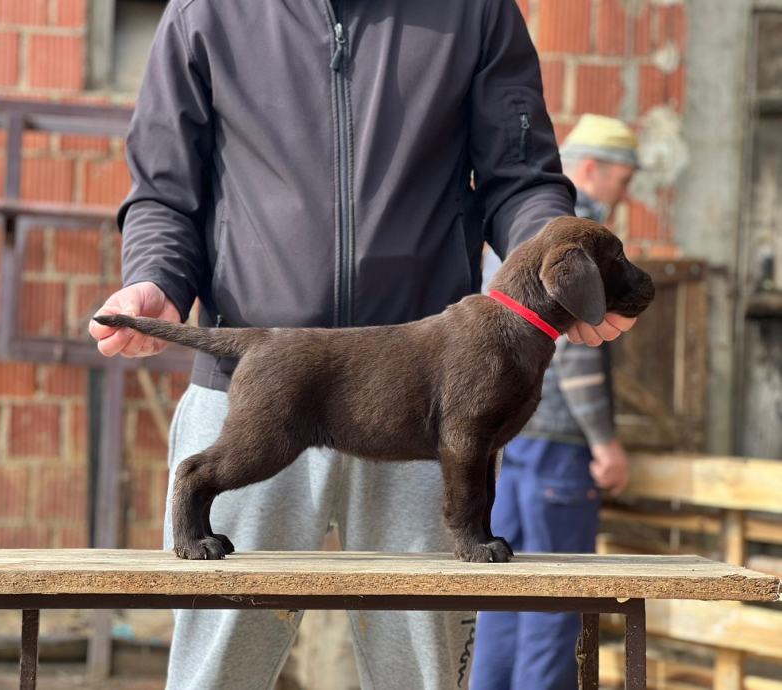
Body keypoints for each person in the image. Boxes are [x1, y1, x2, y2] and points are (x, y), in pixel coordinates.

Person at [88, 2, 640, 687]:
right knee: (216, 673)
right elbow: (165, 193)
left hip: (430, 396)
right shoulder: (204, 12)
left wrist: (558, 274)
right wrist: (155, 279)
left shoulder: (476, 11)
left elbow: (521, 177)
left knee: (423, 675)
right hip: (255, 385)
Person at [471, 114, 640, 690]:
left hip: (512, 437)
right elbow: (579, 351)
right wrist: (604, 441)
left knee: (507, 590)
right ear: (591, 169)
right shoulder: (582, 237)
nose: (626, 193)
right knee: (556, 598)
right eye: (624, 179)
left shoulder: (520, 238)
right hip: (560, 447)